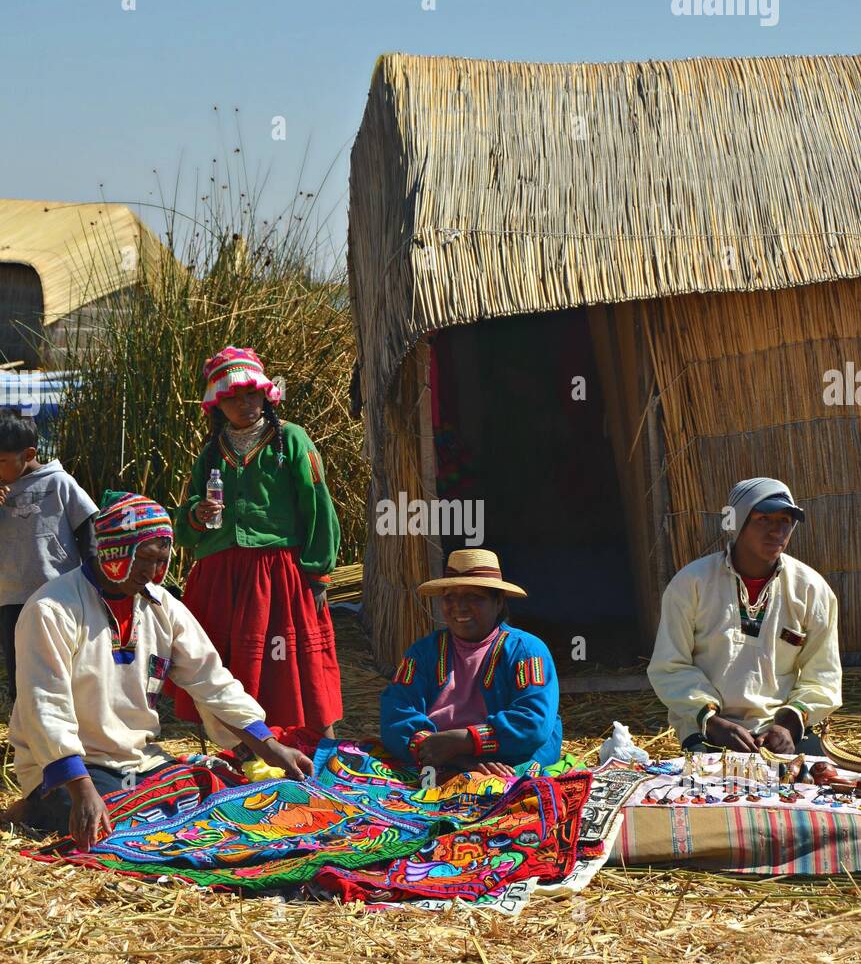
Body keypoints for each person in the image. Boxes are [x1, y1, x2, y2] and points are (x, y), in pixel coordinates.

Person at [7, 491, 313, 850]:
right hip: (75, 767)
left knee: (214, 798)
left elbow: (210, 679)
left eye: (162, 561)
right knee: (114, 823)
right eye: (145, 559)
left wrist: (269, 747)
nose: (152, 573)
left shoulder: (161, 605)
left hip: (140, 761)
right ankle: (35, 806)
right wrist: (80, 788)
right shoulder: (51, 610)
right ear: (115, 550)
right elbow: (46, 704)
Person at [172, 346, 342, 739]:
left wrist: (318, 573)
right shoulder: (212, 452)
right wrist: (197, 514)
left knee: (290, 660)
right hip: (220, 576)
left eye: (251, 394)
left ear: (266, 394)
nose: (244, 404)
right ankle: (244, 748)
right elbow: (186, 521)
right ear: (217, 404)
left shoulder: (291, 440)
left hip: (278, 574)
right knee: (229, 664)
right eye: (231, 397)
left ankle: (316, 749)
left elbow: (318, 505)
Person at [647, 477, 841, 755]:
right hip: (708, 730)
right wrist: (713, 722)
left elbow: (823, 677)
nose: (777, 531)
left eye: (785, 520)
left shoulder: (811, 590)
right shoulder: (691, 584)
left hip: (781, 733)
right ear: (737, 524)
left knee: (817, 786)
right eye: (763, 519)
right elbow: (669, 667)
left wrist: (789, 724)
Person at [380, 549, 562, 775]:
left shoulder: (526, 651)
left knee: (510, 785)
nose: (459, 606)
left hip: (508, 757)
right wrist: (454, 757)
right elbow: (396, 713)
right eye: (449, 597)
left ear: (498, 602)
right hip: (440, 755)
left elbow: (533, 723)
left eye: (474, 597)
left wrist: (465, 740)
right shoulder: (423, 653)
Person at [0, 409, 97, 704]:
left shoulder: (59, 483)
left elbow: (88, 530)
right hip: (11, 597)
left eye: (1, 461)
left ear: (28, 453)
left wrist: (93, 584)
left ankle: (68, 736)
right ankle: (25, 739)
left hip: (58, 594)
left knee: (62, 666)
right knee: (21, 671)